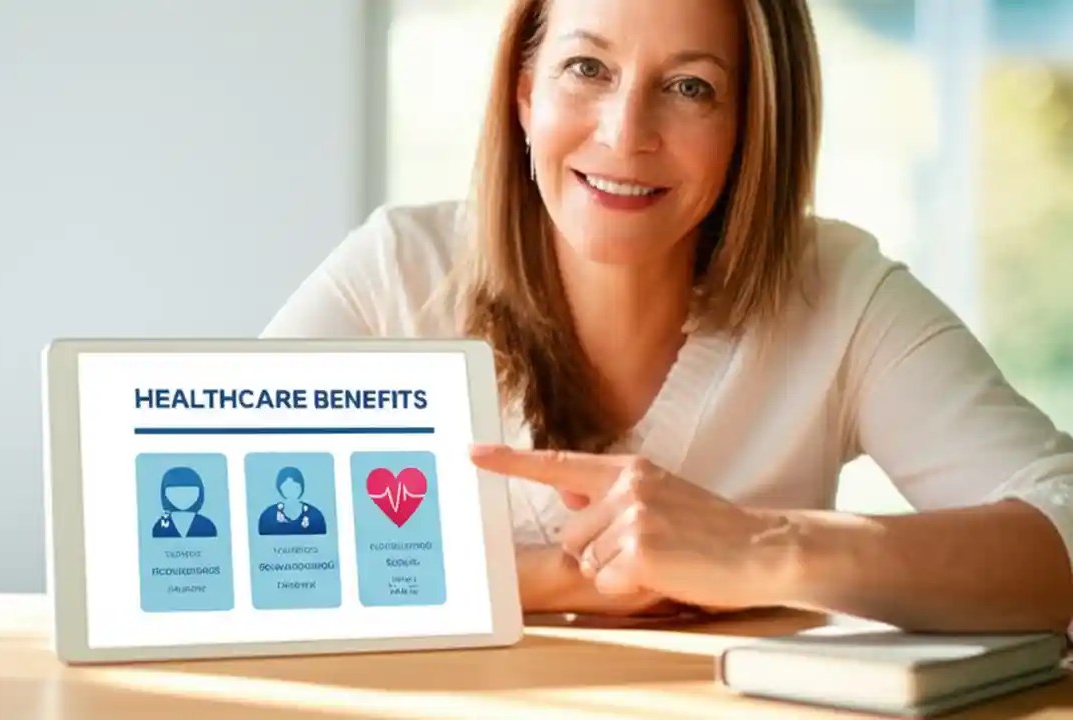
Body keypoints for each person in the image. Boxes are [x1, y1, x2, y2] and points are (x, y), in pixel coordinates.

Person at [261, 0, 1073, 632]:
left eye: (691, 87)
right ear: (523, 91)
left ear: (753, 122)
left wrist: (765, 549)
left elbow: (1061, 517)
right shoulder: (396, 274)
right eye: (587, 67)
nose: (625, 134)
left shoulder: (841, 296)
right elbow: (181, 556)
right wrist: (549, 576)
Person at [257, 466, 329, 536]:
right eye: (287, 486)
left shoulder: (315, 515)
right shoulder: (268, 516)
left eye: (296, 486)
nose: (292, 490)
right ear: (280, 488)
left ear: (301, 487)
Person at [152, 466, 218, 539]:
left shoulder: (207, 525)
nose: (182, 497)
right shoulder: (161, 525)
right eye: (175, 492)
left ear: (200, 493)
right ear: (164, 493)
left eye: (190, 492)